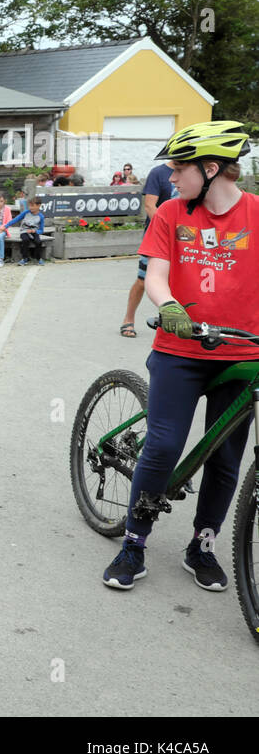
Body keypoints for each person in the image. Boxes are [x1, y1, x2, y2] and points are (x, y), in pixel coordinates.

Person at [102, 121, 259, 592]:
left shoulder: (256, 213)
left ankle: (202, 544)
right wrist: (167, 304)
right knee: (165, 445)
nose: (171, 178)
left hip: (241, 351)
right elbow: (156, 275)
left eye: (178, 169)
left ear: (211, 170)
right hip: (182, 349)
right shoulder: (172, 213)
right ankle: (134, 541)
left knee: (226, 455)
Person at [119, 160, 178, 338]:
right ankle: (128, 318)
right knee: (143, 279)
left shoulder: (190, 170)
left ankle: (170, 320)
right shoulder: (158, 173)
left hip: (183, 237)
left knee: (177, 281)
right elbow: (150, 206)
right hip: (157, 235)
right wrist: (166, 229)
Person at [5, 196, 47, 265]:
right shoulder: (26, 212)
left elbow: (41, 230)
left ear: (38, 205)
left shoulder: (41, 216)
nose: (30, 208)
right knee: (25, 240)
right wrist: (6, 226)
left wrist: (35, 231)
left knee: (38, 242)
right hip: (24, 231)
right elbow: (16, 219)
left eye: (32, 206)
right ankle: (25, 258)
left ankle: (38, 258)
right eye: (29, 206)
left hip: (34, 232)